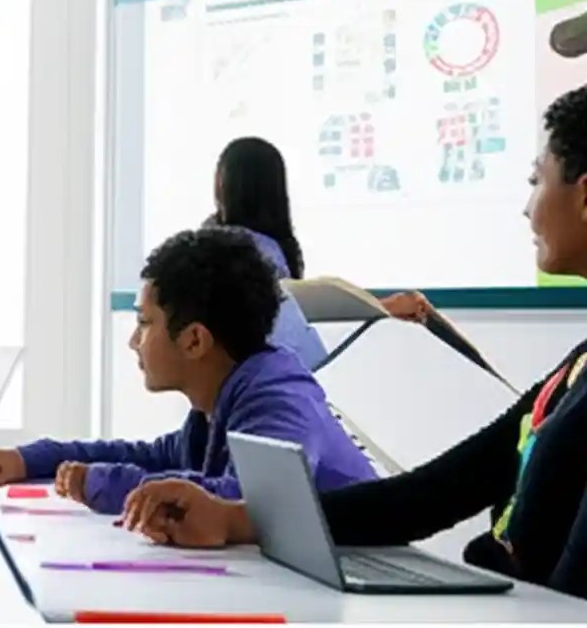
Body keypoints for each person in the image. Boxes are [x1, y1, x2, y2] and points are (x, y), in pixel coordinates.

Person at [120, 86, 587, 601]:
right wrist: (236, 519)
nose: (527, 208)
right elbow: (434, 493)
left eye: (536, 180)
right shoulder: (576, 370)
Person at [0, 228, 376, 514]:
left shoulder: (279, 399)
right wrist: (32, 459)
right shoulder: (219, 406)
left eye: (144, 323)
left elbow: (246, 500)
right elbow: (152, 458)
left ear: (195, 340)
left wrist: (99, 482)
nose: (133, 341)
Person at [209, 136, 434, 328]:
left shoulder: (221, 246)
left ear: (222, 184)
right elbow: (281, 319)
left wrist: (382, 307)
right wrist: (383, 307)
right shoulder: (249, 251)